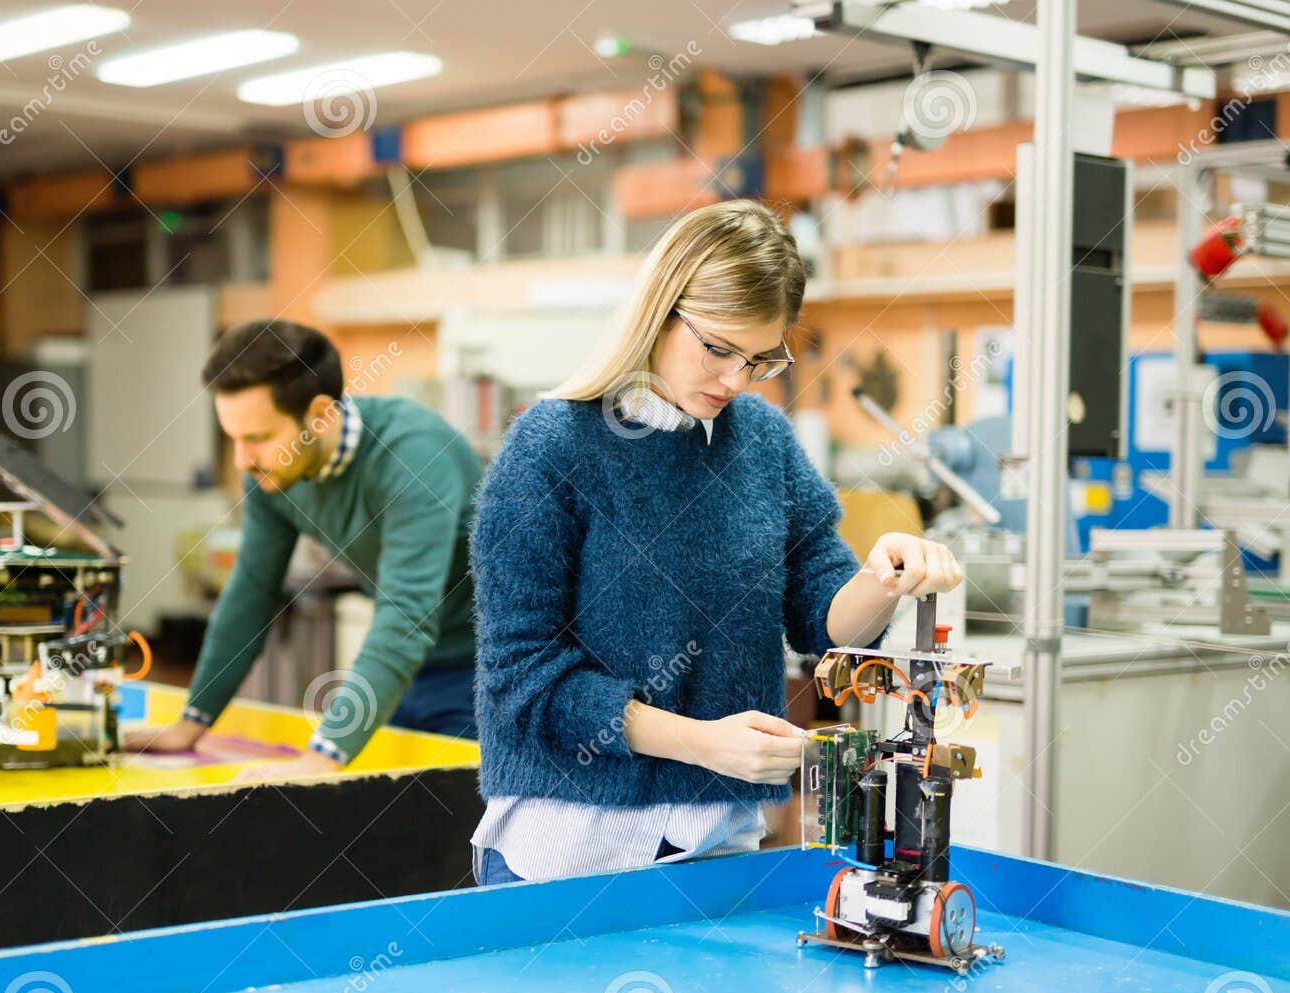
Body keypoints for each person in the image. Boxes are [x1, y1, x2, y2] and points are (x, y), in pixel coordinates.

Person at [468, 199, 963, 884]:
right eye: (718, 348)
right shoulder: (553, 447)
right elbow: (523, 679)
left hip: (720, 846)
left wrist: (885, 575)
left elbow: (825, 621)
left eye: (761, 358)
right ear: (659, 309)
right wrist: (701, 743)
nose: (734, 379)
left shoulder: (761, 442)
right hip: (570, 850)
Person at [126, 320, 481, 775]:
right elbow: (250, 593)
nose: (241, 460)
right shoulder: (272, 475)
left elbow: (406, 617)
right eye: (233, 438)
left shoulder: (413, 455)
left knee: (458, 829)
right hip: (405, 675)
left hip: (485, 675)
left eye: (257, 438)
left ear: (321, 416)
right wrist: (191, 722)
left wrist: (321, 757)